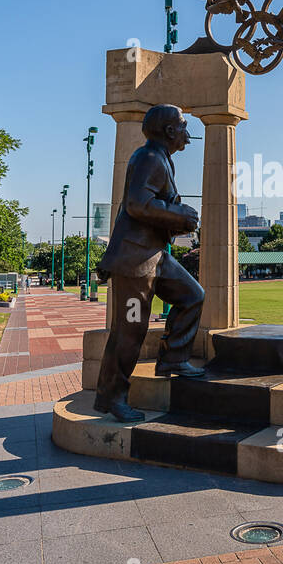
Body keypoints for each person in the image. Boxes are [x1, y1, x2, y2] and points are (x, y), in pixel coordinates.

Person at [94, 104, 206, 421]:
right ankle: (113, 398)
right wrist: (180, 215)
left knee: (192, 295)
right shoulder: (149, 158)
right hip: (134, 261)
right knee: (130, 330)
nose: (188, 132)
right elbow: (136, 204)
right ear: (170, 131)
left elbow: (144, 207)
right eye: (183, 126)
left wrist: (177, 222)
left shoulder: (161, 159)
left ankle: (173, 359)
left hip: (155, 256)